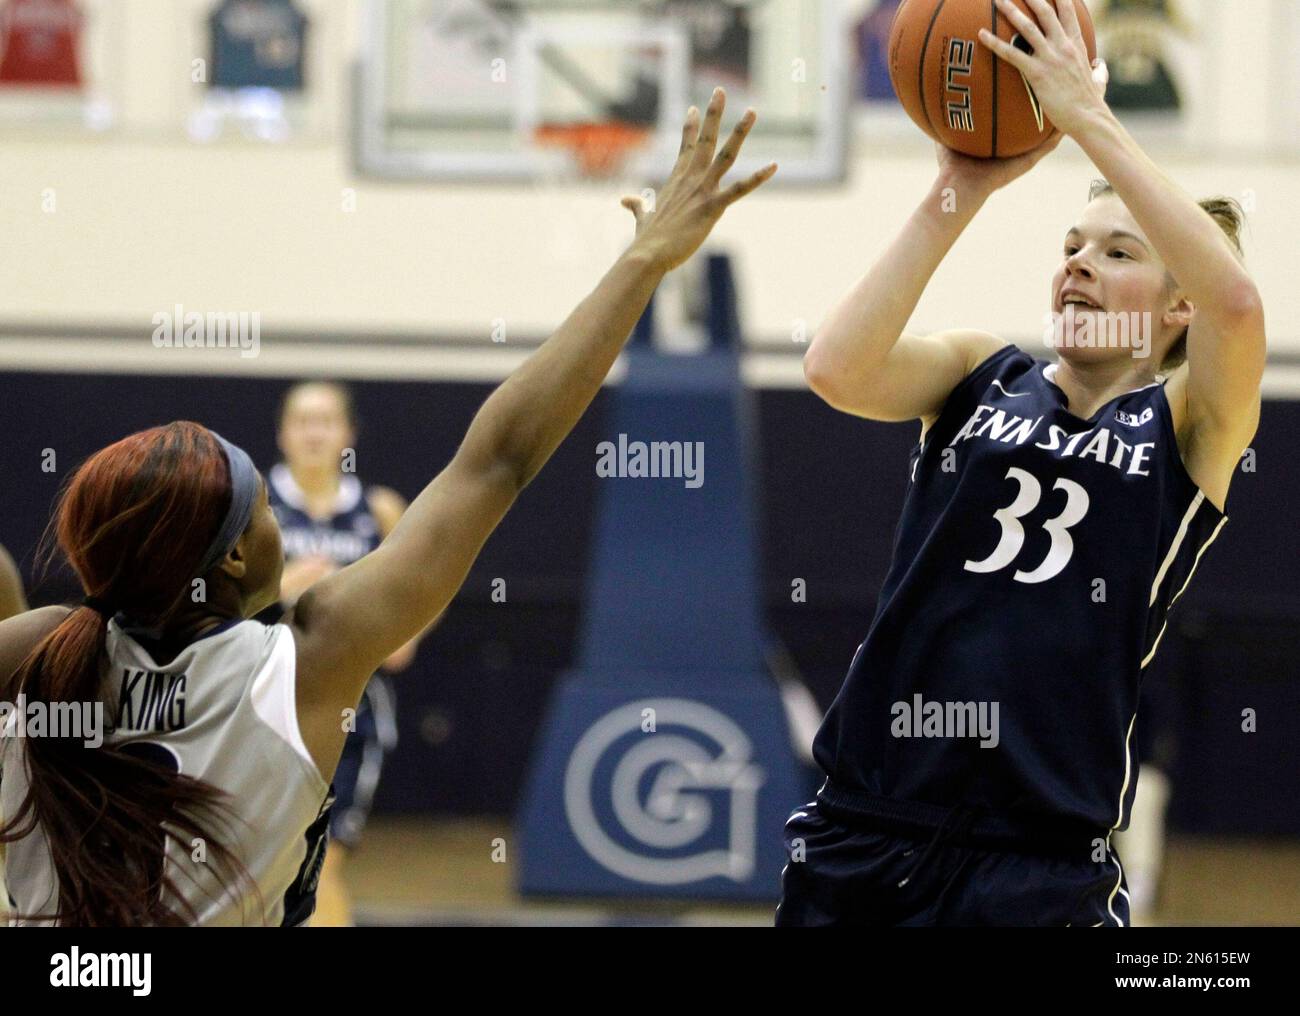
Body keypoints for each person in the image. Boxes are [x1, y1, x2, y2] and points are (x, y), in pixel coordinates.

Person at [0, 90, 776, 926]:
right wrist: (641, 265)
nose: (273, 519)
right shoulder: (304, 657)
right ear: (230, 558)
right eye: (261, 508)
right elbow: (500, 459)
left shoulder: (39, 652)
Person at [781, 0, 1264, 927]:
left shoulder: (1187, 427)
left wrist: (1086, 116)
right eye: (1072, 247)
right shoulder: (976, 371)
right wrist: (959, 186)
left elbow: (1237, 304)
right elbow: (835, 368)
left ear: (1175, 312)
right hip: (866, 828)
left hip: (1040, 866)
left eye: (1119, 253)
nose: (1079, 266)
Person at [263, 380, 418, 926]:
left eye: (326, 420)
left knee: (321, 860)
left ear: (347, 434)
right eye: (302, 420)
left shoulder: (378, 511)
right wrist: (283, 592)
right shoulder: (256, 506)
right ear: (283, 433)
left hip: (354, 712)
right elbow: (218, 612)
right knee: (277, 864)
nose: (314, 432)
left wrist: (402, 631)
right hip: (268, 707)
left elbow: (422, 591)